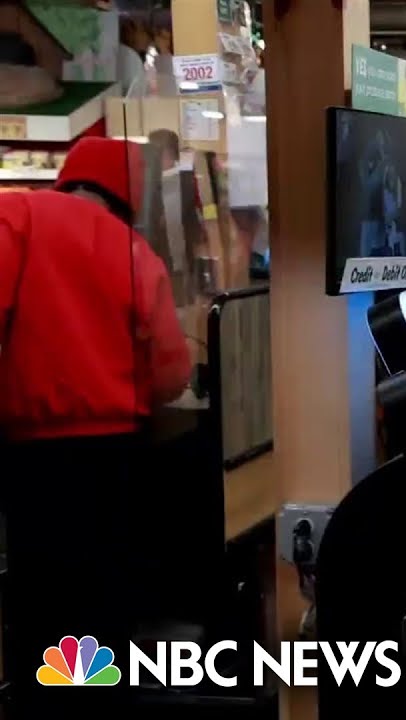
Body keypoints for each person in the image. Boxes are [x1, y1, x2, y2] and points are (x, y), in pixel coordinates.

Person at [0, 137, 191, 716]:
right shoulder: (134, 250)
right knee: (98, 603)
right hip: (113, 456)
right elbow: (170, 373)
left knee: (39, 599)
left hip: (28, 454)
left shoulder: (16, 214)